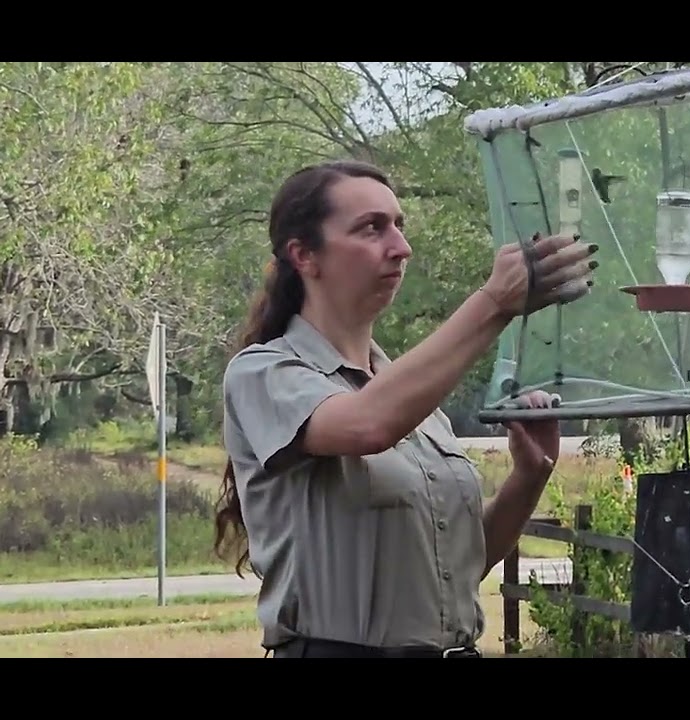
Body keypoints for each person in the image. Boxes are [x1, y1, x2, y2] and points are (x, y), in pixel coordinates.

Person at [213, 160, 597, 658]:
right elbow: (366, 425)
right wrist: (494, 303)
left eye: (399, 225)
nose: (401, 247)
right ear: (305, 255)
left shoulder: (407, 395)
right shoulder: (263, 373)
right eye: (372, 228)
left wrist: (529, 476)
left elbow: (456, 566)